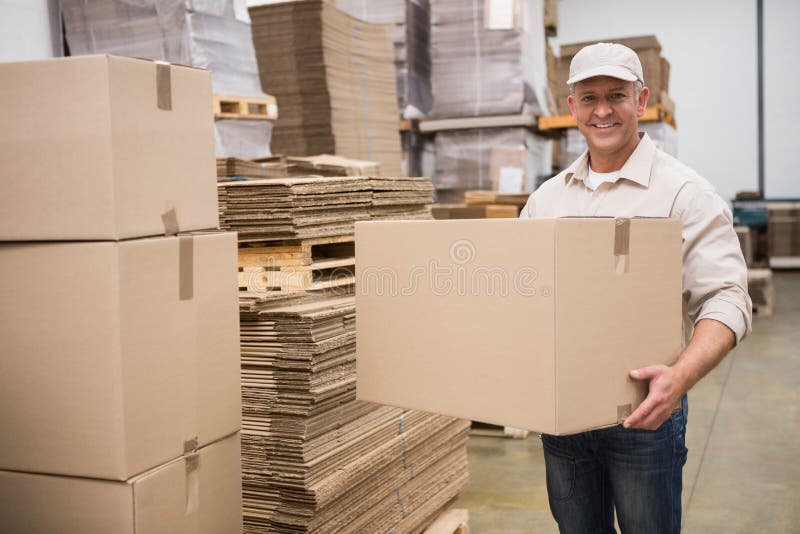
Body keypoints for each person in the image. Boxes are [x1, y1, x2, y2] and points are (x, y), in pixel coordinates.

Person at [519, 42, 752, 533]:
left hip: (645, 416)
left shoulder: (684, 194)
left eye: (616, 95)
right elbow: (521, 297)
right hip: (563, 419)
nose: (602, 110)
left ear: (641, 100)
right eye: (589, 98)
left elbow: (728, 298)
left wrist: (680, 378)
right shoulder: (546, 200)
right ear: (571, 108)